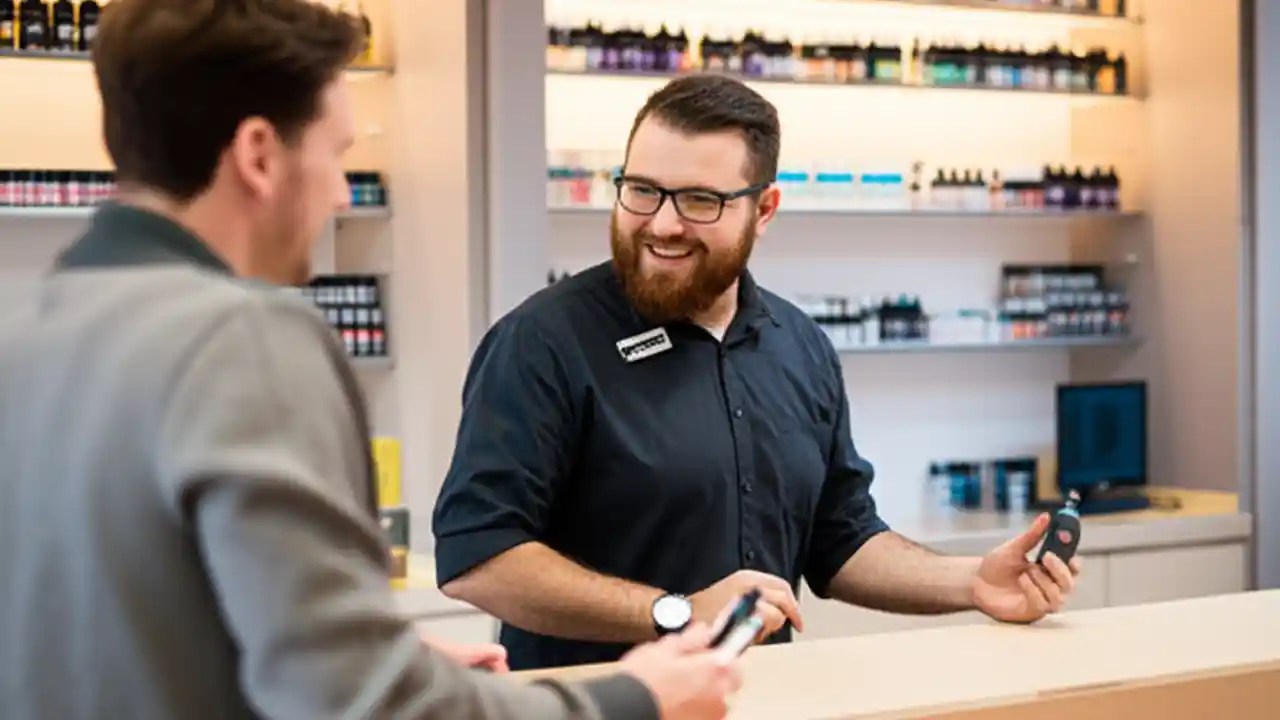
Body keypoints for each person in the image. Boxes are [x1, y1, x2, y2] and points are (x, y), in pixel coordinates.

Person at [0, 2, 742, 719]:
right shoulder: (247, 338)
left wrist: (375, 650)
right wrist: (637, 699)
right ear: (259, 155)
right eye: (336, 155)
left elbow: (121, 629)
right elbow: (370, 706)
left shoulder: (28, 336)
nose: (336, 193)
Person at [431, 73, 1085, 672]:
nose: (663, 224)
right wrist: (675, 612)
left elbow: (840, 539)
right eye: (642, 190)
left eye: (700, 201)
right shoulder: (543, 343)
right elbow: (478, 556)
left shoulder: (799, 346)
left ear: (764, 209)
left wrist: (970, 581)